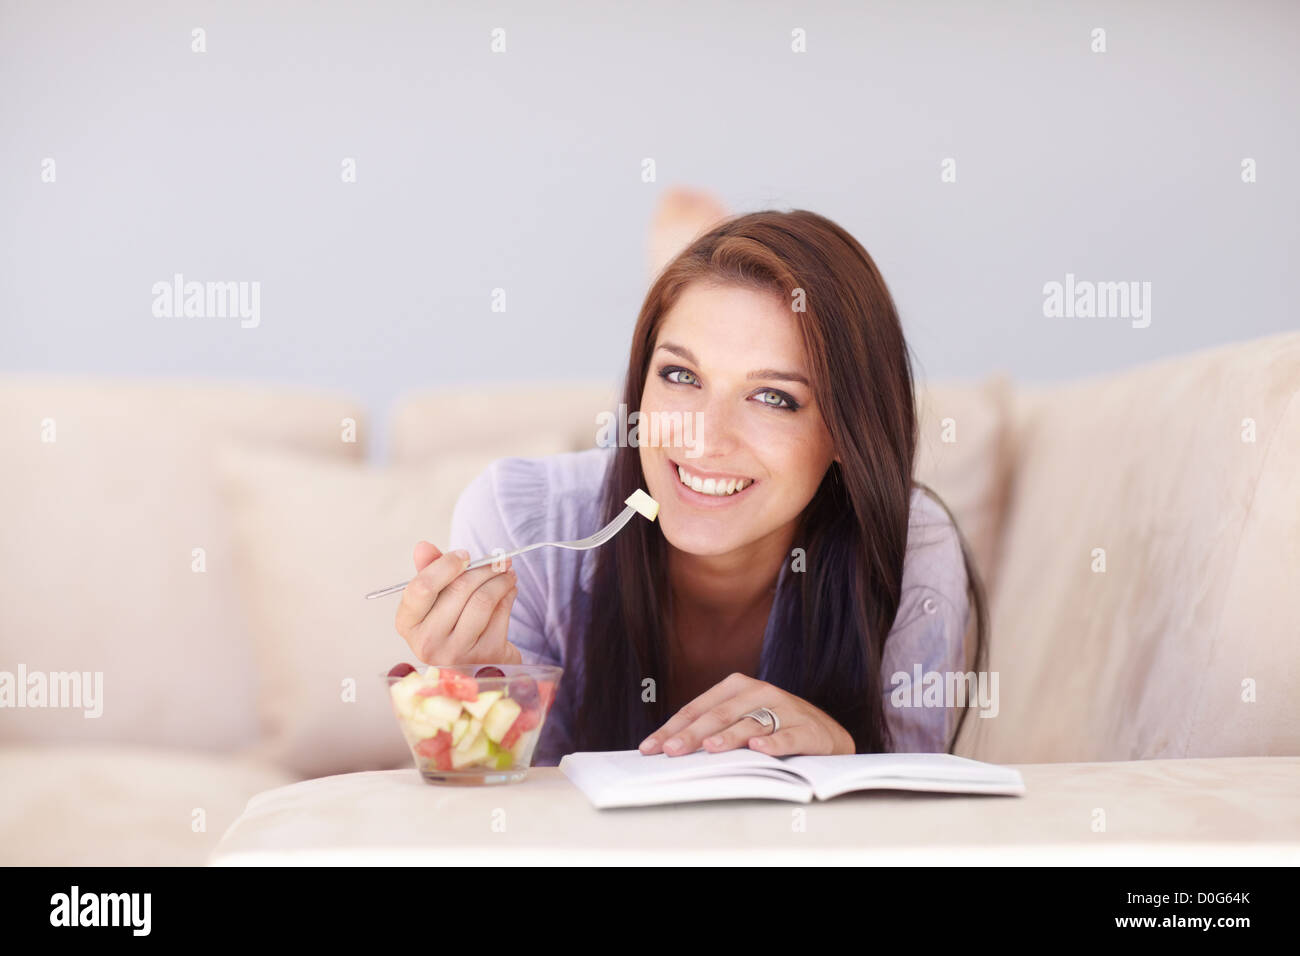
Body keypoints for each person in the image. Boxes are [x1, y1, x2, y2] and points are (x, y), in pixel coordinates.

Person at [394, 189, 988, 765]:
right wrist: (479, 696)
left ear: (846, 431)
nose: (706, 436)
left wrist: (843, 753)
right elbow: (494, 826)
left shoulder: (910, 549)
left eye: (773, 397)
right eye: (680, 375)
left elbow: (914, 823)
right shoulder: (520, 521)